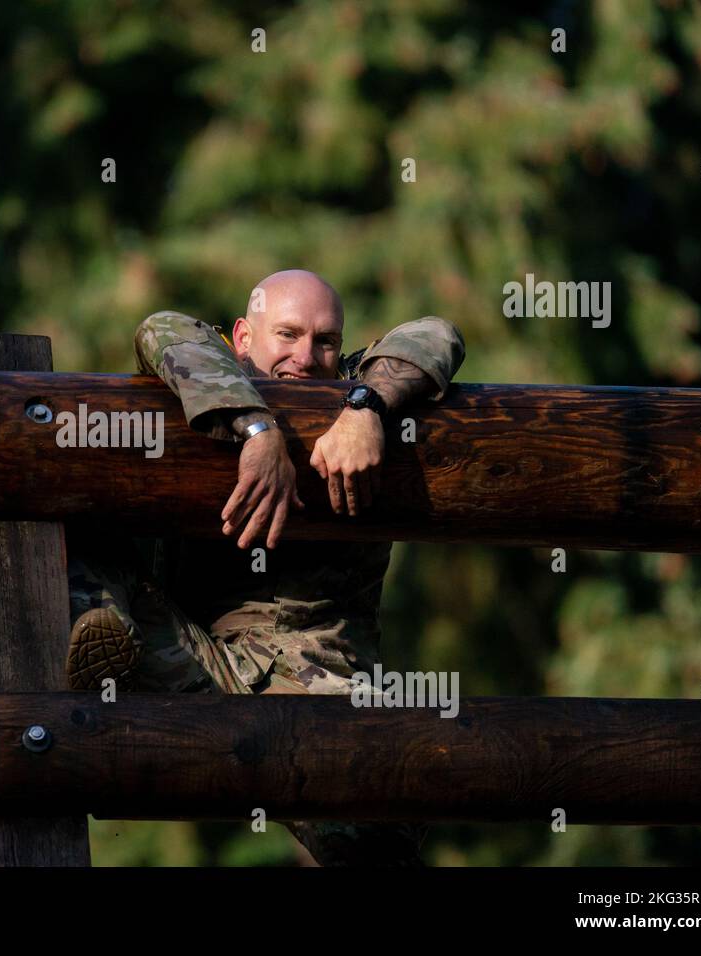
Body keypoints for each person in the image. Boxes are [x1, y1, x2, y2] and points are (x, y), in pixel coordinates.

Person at [65, 268, 466, 866]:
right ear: (243, 338)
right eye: (288, 335)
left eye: (325, 340)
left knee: (381, 839)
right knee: (78, 531)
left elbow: (436, 335)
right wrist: (258, 429)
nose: (306, 357)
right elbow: (165, 328)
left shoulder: (355, 386)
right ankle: (106, 635)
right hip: (195, 658)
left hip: (316, 678)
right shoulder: (211, 372)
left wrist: (365, 408)